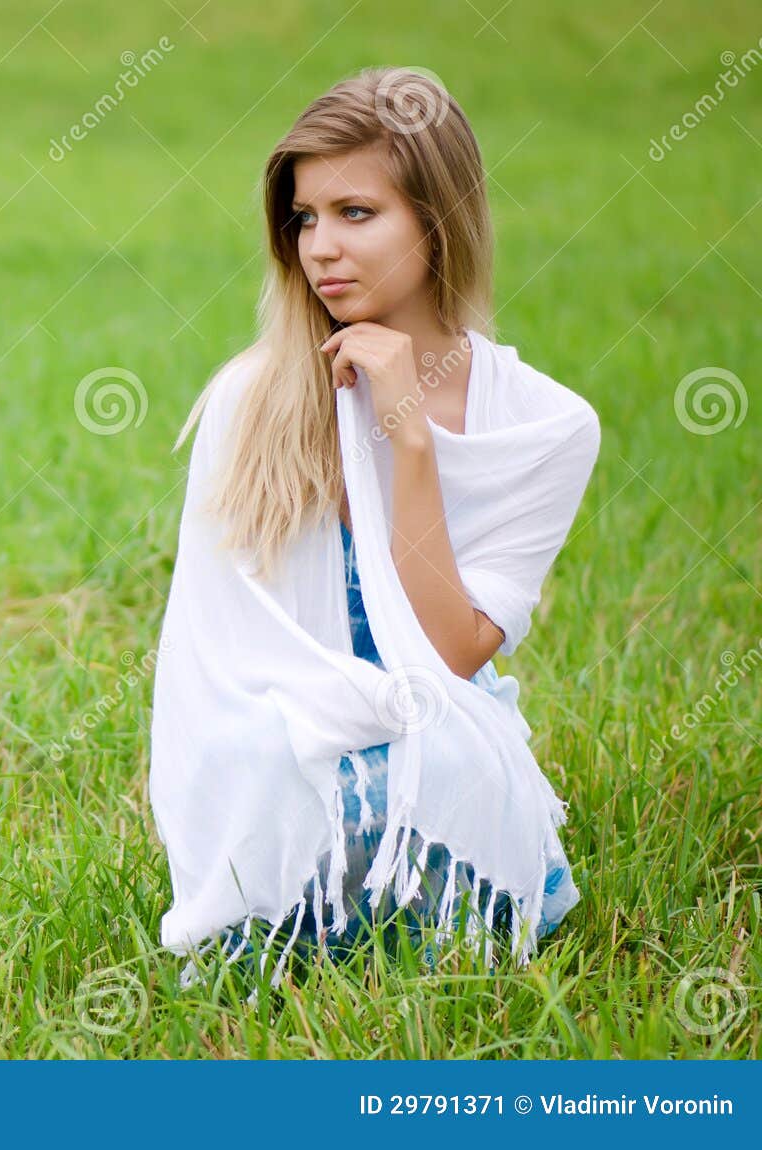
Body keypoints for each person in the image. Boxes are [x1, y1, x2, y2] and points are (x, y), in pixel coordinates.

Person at [163, 66, 582, 988]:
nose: (320, 247)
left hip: (435, 726)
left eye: (356, 212)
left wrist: (411, 444)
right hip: (271, 736)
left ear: (440, 220)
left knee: (450, 771)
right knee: (287, 774)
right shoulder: (251, 400)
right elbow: (218, 667)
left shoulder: (545, 426)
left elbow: (448, 656)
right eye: (304, 218)